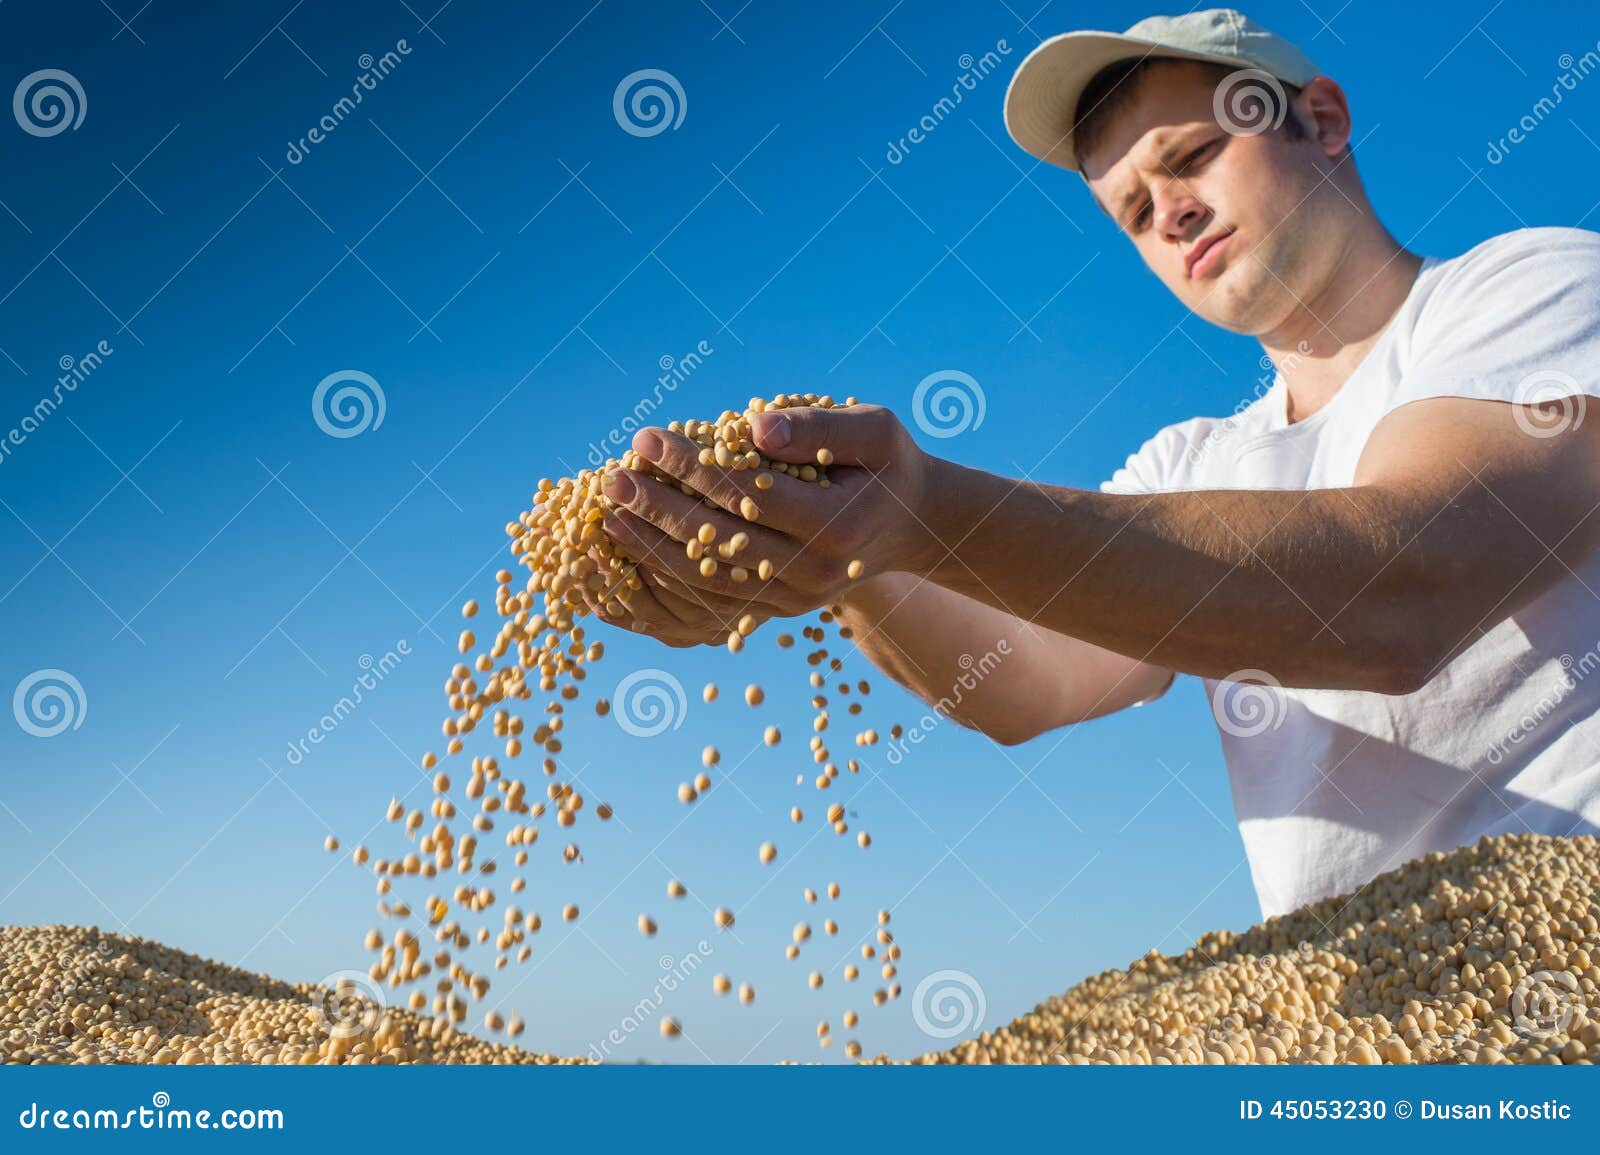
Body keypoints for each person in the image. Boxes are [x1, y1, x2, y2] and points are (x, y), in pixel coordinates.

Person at [591, 9, 1600, 918]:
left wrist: (919, 511)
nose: (1170, 212)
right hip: (1366, 1022)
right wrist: (831, 553)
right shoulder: (1193, 460)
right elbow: (1024, 683)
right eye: (1130, 210)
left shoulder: (1531, 288)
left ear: (1322, 122)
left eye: (1194, 154)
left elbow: (1395, 592)